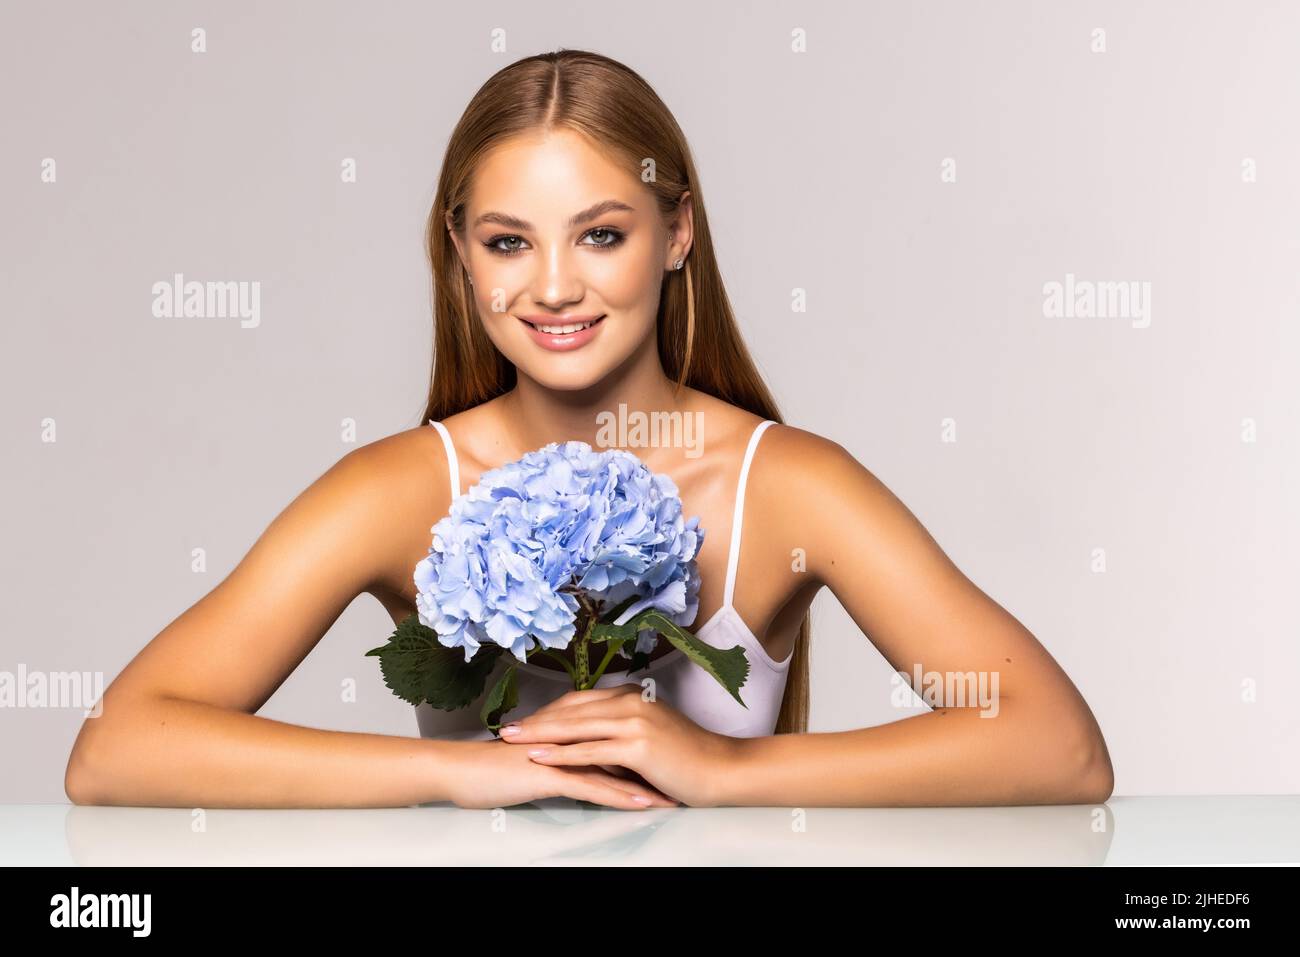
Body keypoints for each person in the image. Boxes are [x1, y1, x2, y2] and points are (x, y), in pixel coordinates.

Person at [65, 49, 1113, 811]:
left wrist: (721, 769)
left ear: (676, 233)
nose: (554, 286)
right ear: (460, 256)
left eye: (601, 234)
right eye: (508, 241)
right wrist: (458, 772)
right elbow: (117, 751)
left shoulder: (785, 485)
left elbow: (1057, 749)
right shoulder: (400, 487)